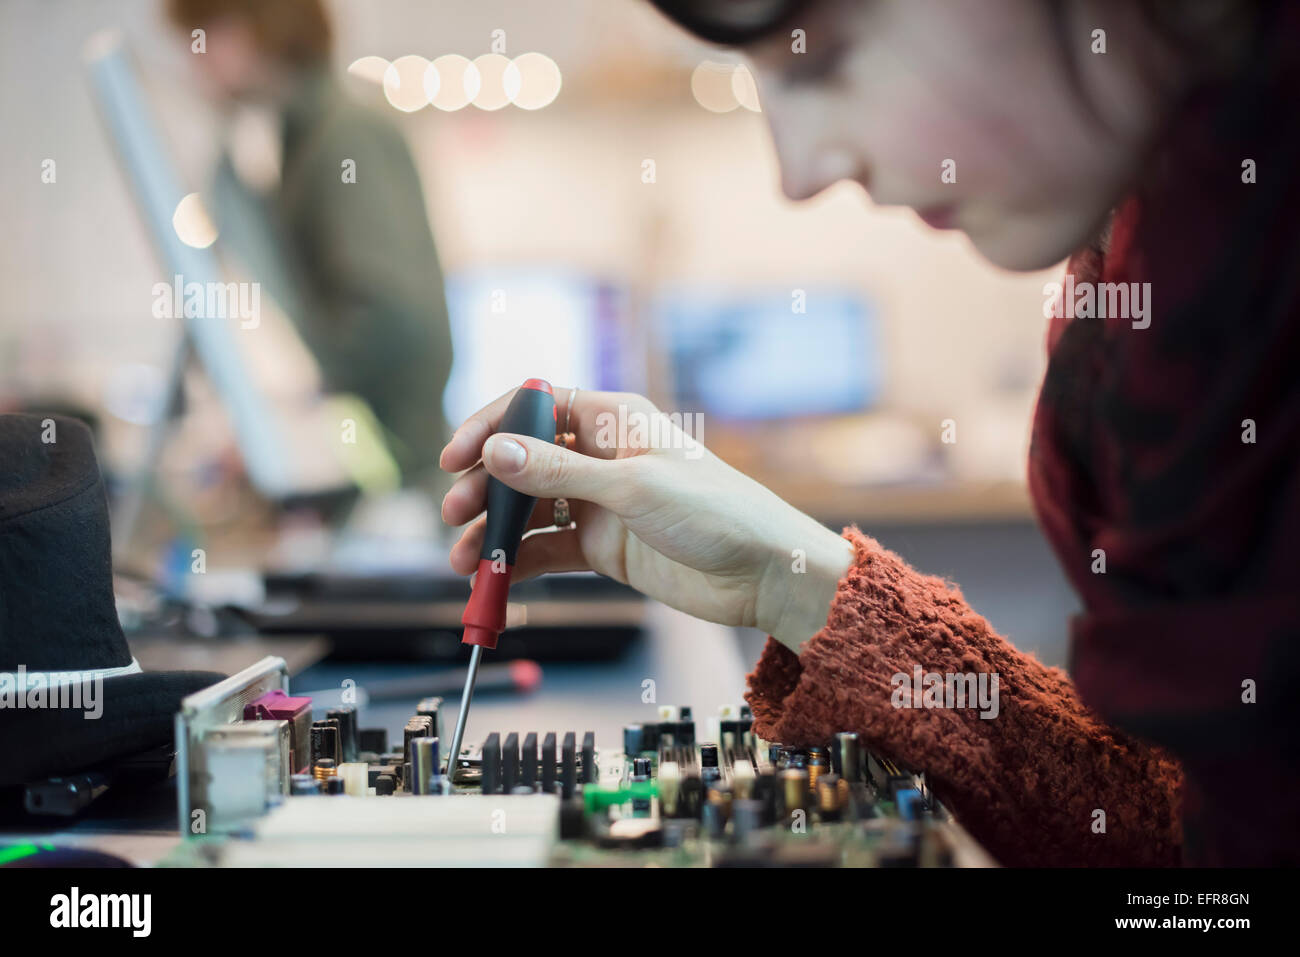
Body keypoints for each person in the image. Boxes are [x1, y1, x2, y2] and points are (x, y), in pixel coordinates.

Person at [439, 0, 1300, 866]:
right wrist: (792, 578)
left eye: (824, 61)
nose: (799, 171)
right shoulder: (1160, 301)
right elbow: (1185, 841)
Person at [166, 0, 454, 486]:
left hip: (393, 478)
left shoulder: (345, 137)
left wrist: (298, 410)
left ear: (259, 26)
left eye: (204, 33)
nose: (194, 59)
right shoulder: (301, 141)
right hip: (373, 471)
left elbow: (393, 320)